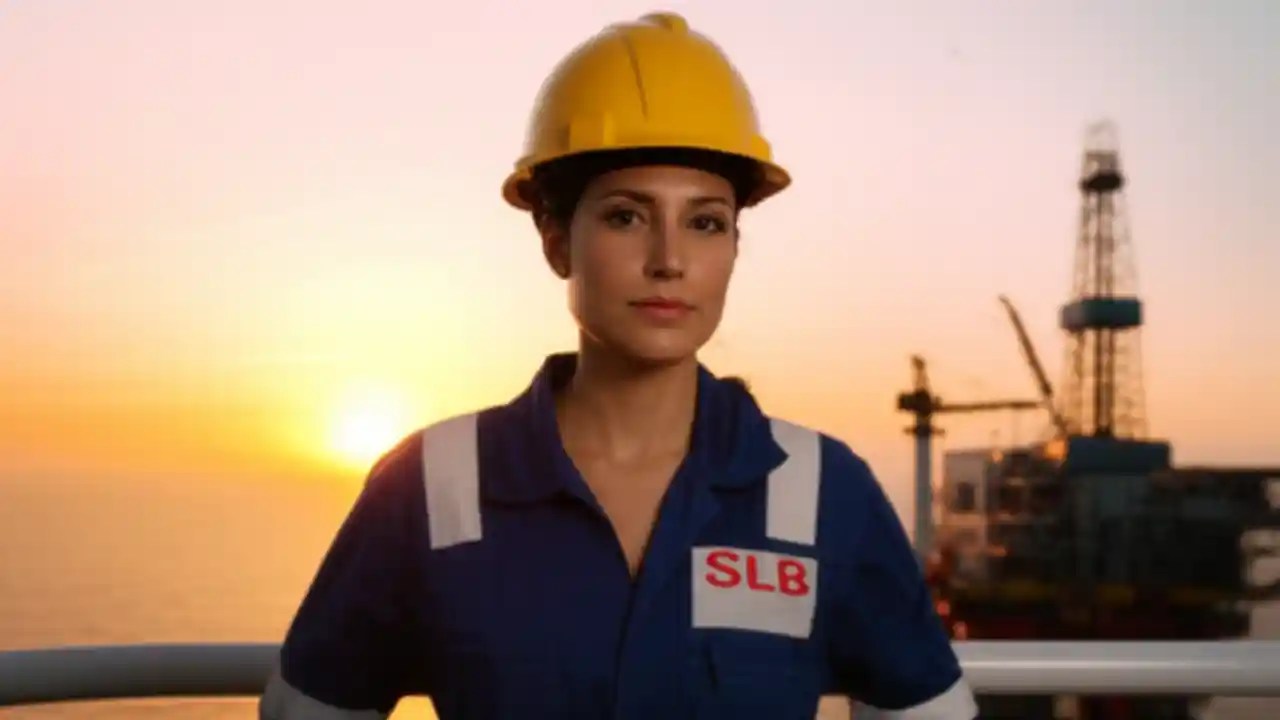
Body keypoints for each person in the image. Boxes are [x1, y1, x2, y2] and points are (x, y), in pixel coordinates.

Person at [260, 11, 977, 720]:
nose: (669, 260)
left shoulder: (825, 495)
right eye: (626, 216)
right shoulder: (429, 487)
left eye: (705, 222)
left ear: (733, 247)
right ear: (555, 241)